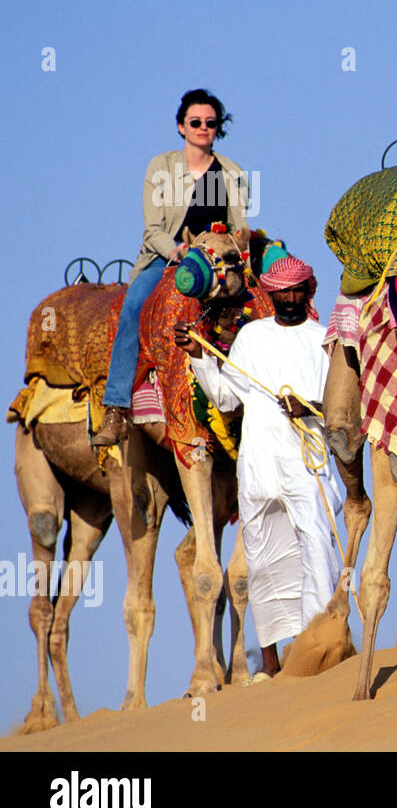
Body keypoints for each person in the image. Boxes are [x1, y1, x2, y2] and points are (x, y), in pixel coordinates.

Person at [173, 256, 342, 677]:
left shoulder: (326, 341)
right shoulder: (251, 338)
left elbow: (343, 411)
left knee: (317, 548)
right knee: (262, 557)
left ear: (309, 291)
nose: (288, 298)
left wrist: (310, 408)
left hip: (307, 462)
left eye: (296, 291)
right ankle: (269, 663)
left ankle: (321, 649)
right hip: (259, 462)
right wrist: (199, 358)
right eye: (281, 292)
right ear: (270, 294)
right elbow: (227, 399)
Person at [93, 88, 250, 446]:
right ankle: (116, 409)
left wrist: (245, 261)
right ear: (181, 126)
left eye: (210, 123)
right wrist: (178, 251)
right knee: (133, 306)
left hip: (218, 261)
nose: (203, 128)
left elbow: (240, 228)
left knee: (260, 305)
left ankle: (253, 392)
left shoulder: (232, 173)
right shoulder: (161, 168)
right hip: (167, 258)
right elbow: (152, 230)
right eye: (195, 122)